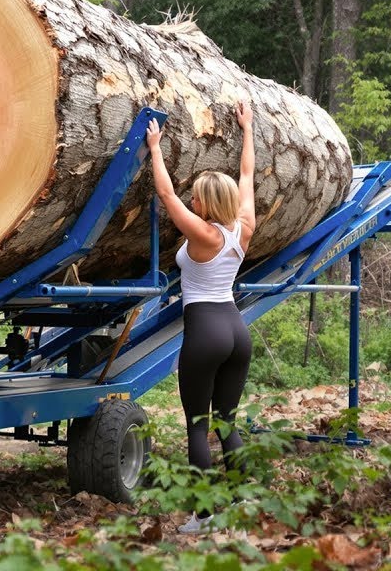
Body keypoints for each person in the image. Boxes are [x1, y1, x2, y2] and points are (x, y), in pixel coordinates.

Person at [146, 100, 256, 535]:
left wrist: (155, 146)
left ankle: (204, 515)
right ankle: (241, 503)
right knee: (226, 419)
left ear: (206, 204)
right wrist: (248, 129)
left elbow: (167, 194)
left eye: (198, 197)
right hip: (235, 328)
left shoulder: (204, 234)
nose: (191, 199)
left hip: (206, 330)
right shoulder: (242, 227)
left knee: (197, 425)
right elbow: (246, 175)